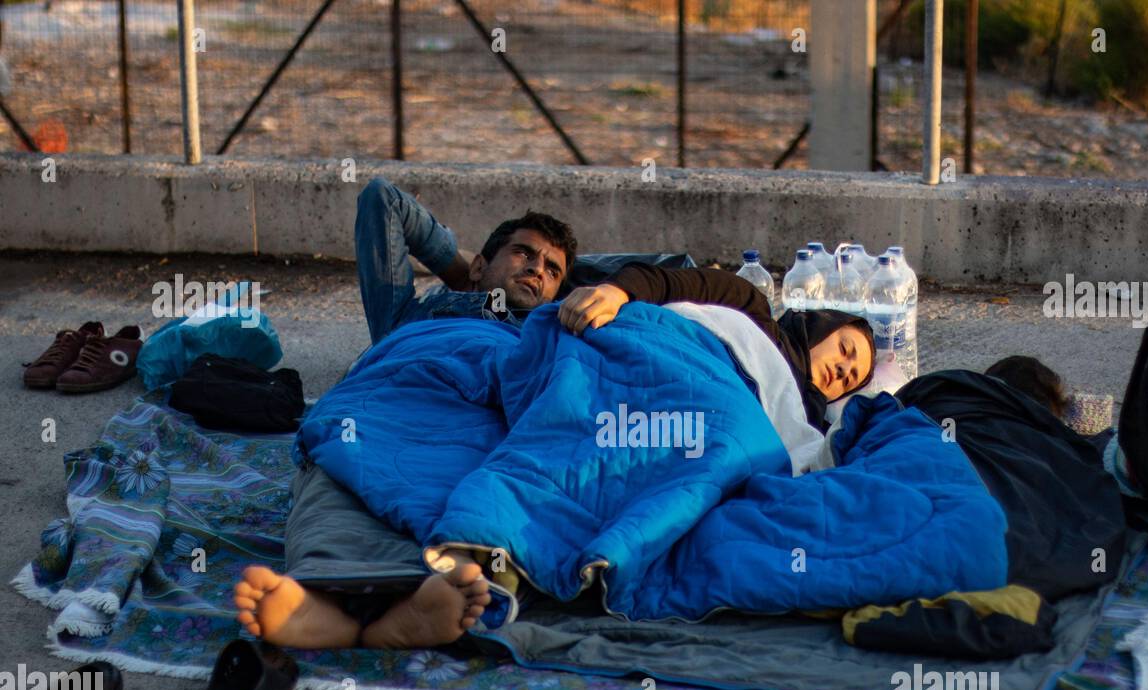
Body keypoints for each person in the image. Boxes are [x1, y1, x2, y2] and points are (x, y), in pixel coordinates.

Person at [233, 180, 877, 650]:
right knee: (357, 451)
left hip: (517, 384)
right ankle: (329, 595)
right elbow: (382, 200)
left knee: (476, 469)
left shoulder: (554, 318)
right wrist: (469, 274)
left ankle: (410, 598)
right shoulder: (409, 311)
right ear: (486, 259)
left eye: (552, 268)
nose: (537, 270)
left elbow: (668, 274)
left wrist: (565, 288)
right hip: (420, 371)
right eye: (524, 254)